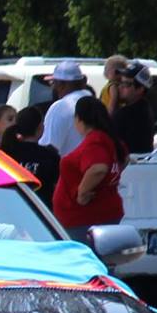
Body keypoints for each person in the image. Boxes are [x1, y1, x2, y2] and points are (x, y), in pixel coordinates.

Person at [52, 94, 126, 234]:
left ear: (79, 119)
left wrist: (82, 192)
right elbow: (124, 160)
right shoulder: (109, 140)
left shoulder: (95, 141)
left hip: (84, 220)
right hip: (97, 216)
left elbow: (98, 168)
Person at [0, 104, 62, 193]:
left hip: (13, 203)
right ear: (40, 128)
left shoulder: (6, 154)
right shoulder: (49, 155)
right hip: (40, 205)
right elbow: (58, 187)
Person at [109, 58, 157, 158]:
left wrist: (113, 102)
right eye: (120, 82)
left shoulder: (128, 114)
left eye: (126, 84)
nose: (120, 87)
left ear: (140, 89)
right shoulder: (144, 107)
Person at [39, 58, 90, 155]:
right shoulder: (95, 103)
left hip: (68, 168)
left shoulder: (61, 107)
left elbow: (48, 148)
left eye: (53, 83)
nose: (53, 87)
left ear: (61, 84)